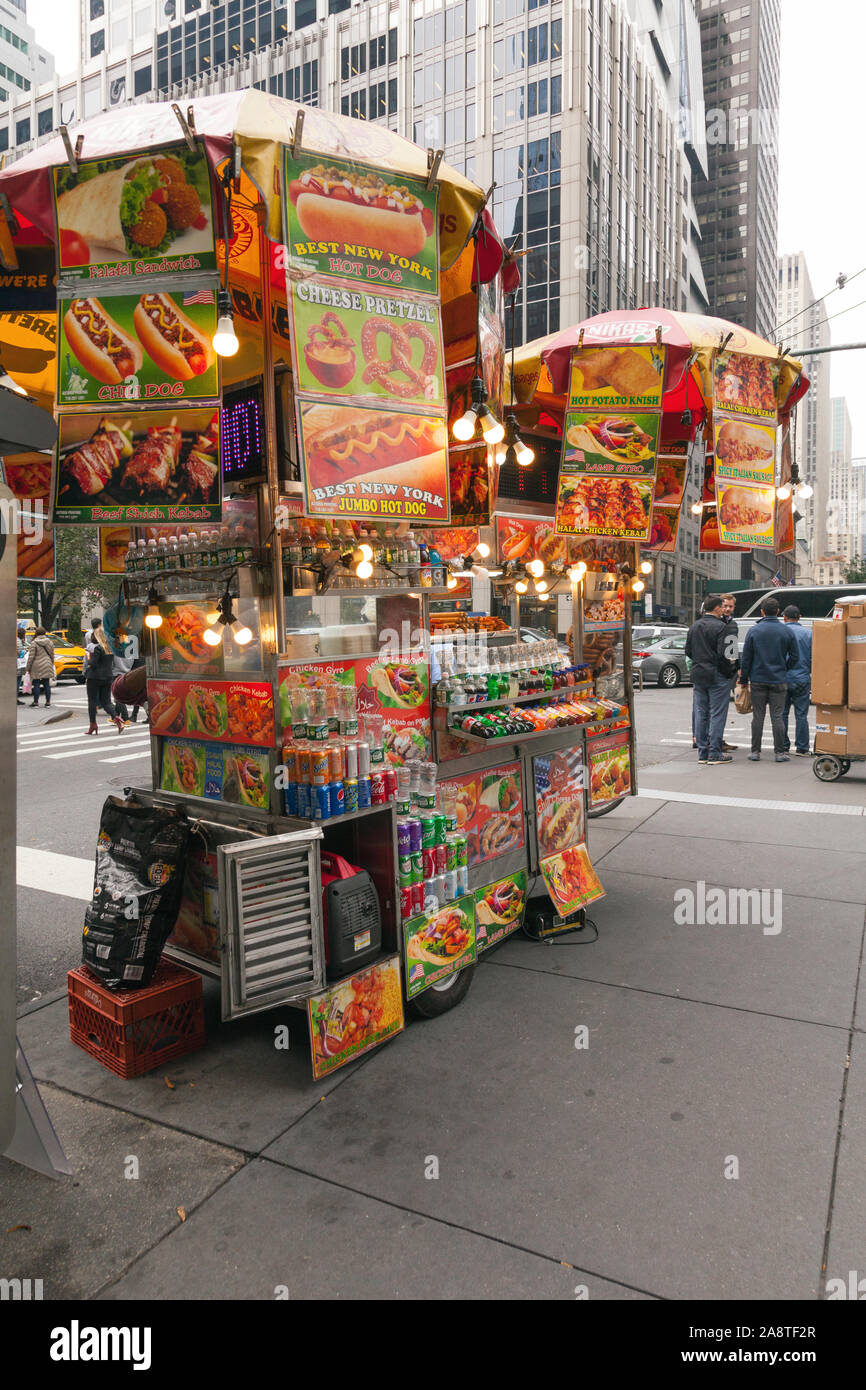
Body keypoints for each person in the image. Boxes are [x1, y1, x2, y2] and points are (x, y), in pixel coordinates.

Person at [739, 596, 798, 762]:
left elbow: (747, 658)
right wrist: (784, 667)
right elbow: (795, 656)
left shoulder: (754, 630)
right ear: (778, 612)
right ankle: (780, 752)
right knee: (777, 716)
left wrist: (743, 679)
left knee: (758, 716)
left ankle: (755, 751)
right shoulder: (787, 631)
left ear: (762, 612)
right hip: (779, 679)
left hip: (758, 679)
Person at [685, 595, 739, 765]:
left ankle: (703, 752)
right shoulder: (723, 627)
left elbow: (688, 651)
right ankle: (715, 753)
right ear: (716, 608)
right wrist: (729, 671)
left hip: (698, 674)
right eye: (722, 606)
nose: (724, 609)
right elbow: (730, 654)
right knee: (717, 714)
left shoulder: (694, 627)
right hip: (717, 675)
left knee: (701, 713)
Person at [781, 604, 812, 756]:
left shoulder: (780, 633)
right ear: (799, 617)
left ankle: (783, 745)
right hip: (802, 678)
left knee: (782, 713)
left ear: (784, 618)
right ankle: (802, 747)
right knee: (801, 715)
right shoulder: (809, 633)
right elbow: (814, 656)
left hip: (782, 678)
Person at [85, 626, 124, 735]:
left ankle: (93, 724)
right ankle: (116, 716)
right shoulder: (110, 648)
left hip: (94, 677)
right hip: (107, 676)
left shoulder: (97, 648)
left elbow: (93, 663)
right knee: (106, 701)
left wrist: (88, 656)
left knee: (92, 701)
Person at [25, 626, 55, 707]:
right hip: (47, 663)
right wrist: (51, 663)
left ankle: (36, 703)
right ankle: (48, 702)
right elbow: (52, 654)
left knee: (36, 683)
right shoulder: (50, 642)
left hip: (36, 664)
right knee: (46, 683)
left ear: (36, 633)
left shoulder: (34, 643)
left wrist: (28, 668)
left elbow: (31, 657)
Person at [16, 624, 27, 705]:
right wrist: (26, 650)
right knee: (17, 682)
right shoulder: (18, 641)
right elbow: (20, 653)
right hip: (17, 665)